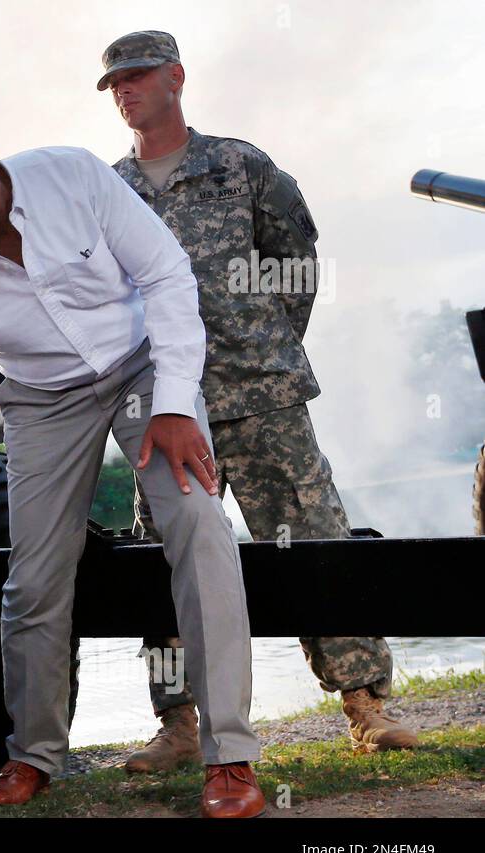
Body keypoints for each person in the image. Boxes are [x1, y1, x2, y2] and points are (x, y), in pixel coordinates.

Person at [0, 115, 264, 817]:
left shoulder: (75, 177)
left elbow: (168, 273)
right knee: (36, 573)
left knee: (200, 526)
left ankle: (229, 755)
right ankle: (35, 755)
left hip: (142, 367)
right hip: (42, 397)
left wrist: (174, 402)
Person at [98, 30, 418, 773]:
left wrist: (262, 344)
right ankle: (179, 725)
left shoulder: (240, 166)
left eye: (137, 76)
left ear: (176, 77)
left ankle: (364, 705)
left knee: (315, 540)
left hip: (262, 397)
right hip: (167, 407)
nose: (125, 91)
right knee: (164, 562)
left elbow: (295, 259)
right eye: (114, 84)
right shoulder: (108, 190)